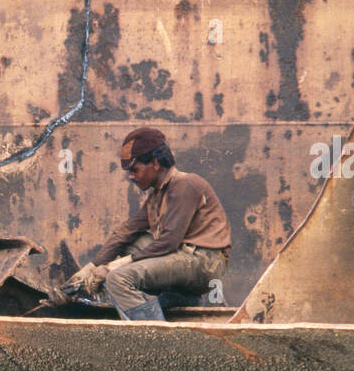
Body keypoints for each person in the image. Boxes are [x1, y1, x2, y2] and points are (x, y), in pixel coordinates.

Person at [55, 127, 231, 321]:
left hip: (204, 262)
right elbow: (124, 232)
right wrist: (89, 269)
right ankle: (181, 297)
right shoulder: (157, 195)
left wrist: (113, 267)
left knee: (118, 278)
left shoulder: (185, 184)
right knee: (129, 243)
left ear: (155, 163)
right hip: (183, 257)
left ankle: (156, 336)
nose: (130, 176)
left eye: (134, 169)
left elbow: (168, 242)